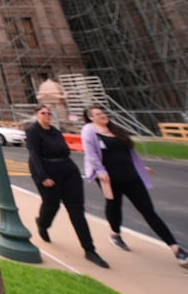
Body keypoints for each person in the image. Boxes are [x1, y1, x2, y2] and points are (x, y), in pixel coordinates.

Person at [82, 104, 188, 267]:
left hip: (131, 176)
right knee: (114, 205)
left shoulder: (116, 130)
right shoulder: (89, 131)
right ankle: (115, 234)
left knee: (148, 211)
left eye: (103, 112)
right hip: (109, 178)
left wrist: (141, 167)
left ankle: (176, 248)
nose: (103, 115)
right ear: (91, 117)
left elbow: (129, 153)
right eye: (98, 114)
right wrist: (100, 171)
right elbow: (91, 154)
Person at [26, 104, 110, 268]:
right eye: (43, 113)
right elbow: (34, 153)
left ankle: (89, 249)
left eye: (49, 113)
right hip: (47, 171)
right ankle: (42, 223)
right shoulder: (32, 131)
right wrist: (43, 176)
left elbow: (65, 150)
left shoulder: (56, 131)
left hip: (68, 170)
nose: (47, 115)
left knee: (76, 210)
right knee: (52, 204)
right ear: (37, 115)